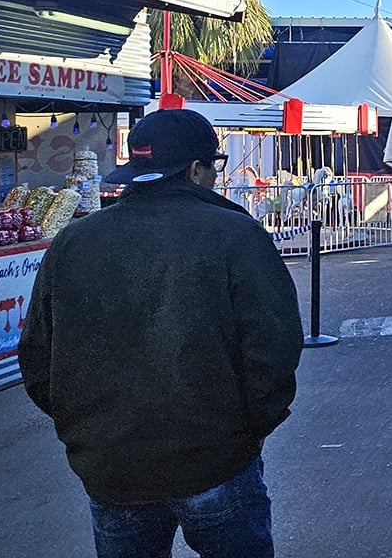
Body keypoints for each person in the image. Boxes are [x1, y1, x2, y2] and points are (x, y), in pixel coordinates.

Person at [18, 108, 304, 558]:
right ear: (195, 169)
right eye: (214, 165)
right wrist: (250, 430)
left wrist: (87, 432)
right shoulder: (235, 234)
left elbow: (36, 357)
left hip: (113, 470)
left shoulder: (72, 242)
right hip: (216, 462)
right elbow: (275, 346)